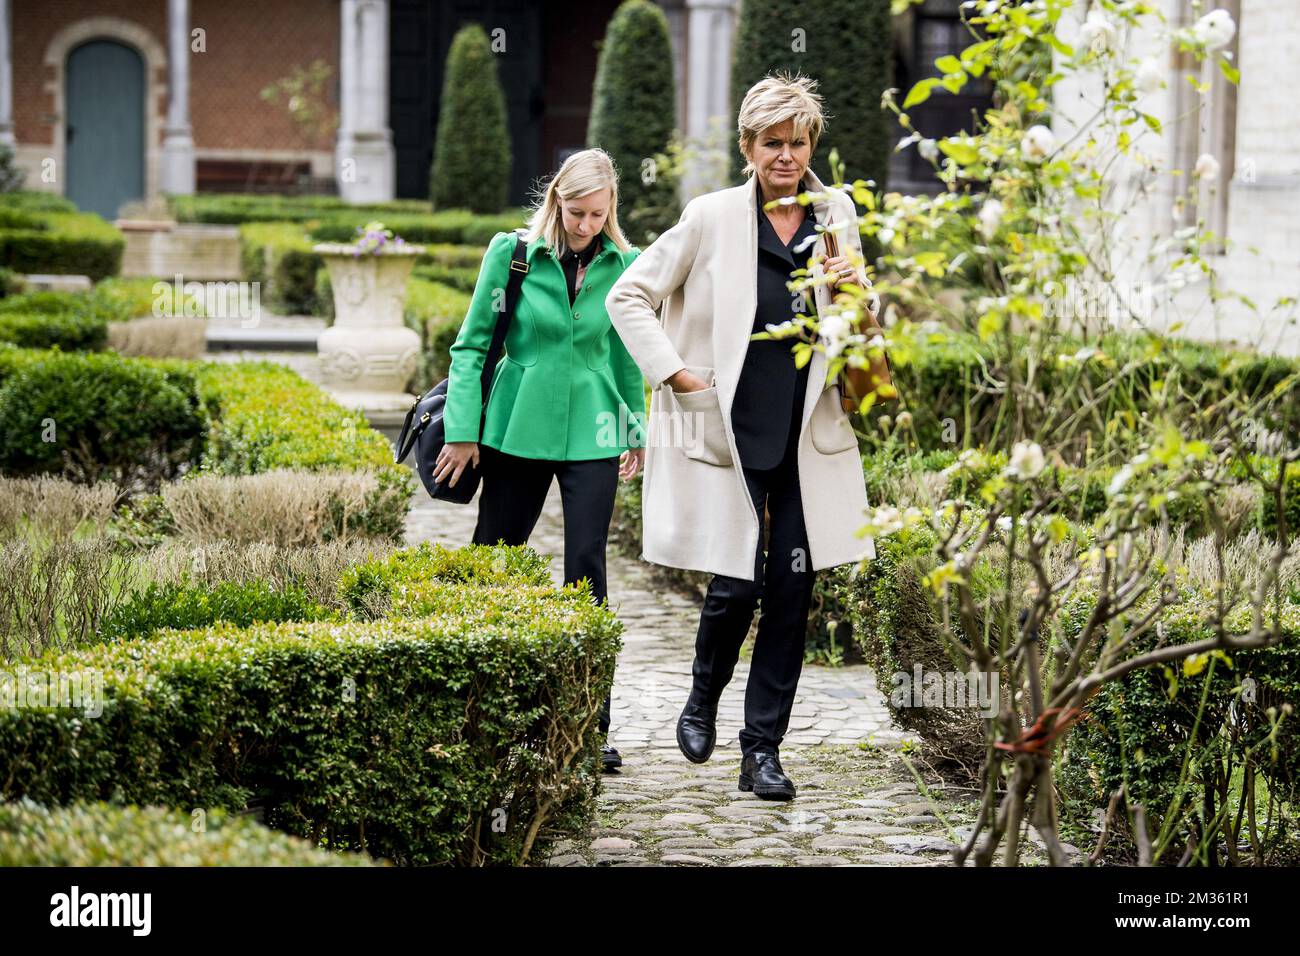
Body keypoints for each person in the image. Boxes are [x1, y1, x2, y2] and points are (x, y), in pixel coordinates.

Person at [605, 73, 884, 799]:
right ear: (747, 147)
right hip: (728, 429)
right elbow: (628, 293)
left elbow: (854, 321)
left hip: (802, 431)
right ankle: (701, 698)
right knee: (733, 585)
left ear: (811, 144)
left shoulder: (836, 212)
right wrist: (674, 375)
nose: (785, 156)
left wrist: (854, 291)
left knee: (792, 590)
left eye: (797, 142)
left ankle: (762, 751)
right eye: (772, 144)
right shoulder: (709, 216)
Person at [436, 147, 647, 772]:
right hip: (515, 425)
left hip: (595, 430)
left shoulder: (626, 263)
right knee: (494, 559)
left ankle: (589, 724)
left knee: (587, 569)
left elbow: (627, 354)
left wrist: (634, 428)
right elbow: (472, 345)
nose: (586, 226)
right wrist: (462, 430)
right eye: (577, 213)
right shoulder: (513, 254)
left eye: (597, 216)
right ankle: (475, 710)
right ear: (557, 201)